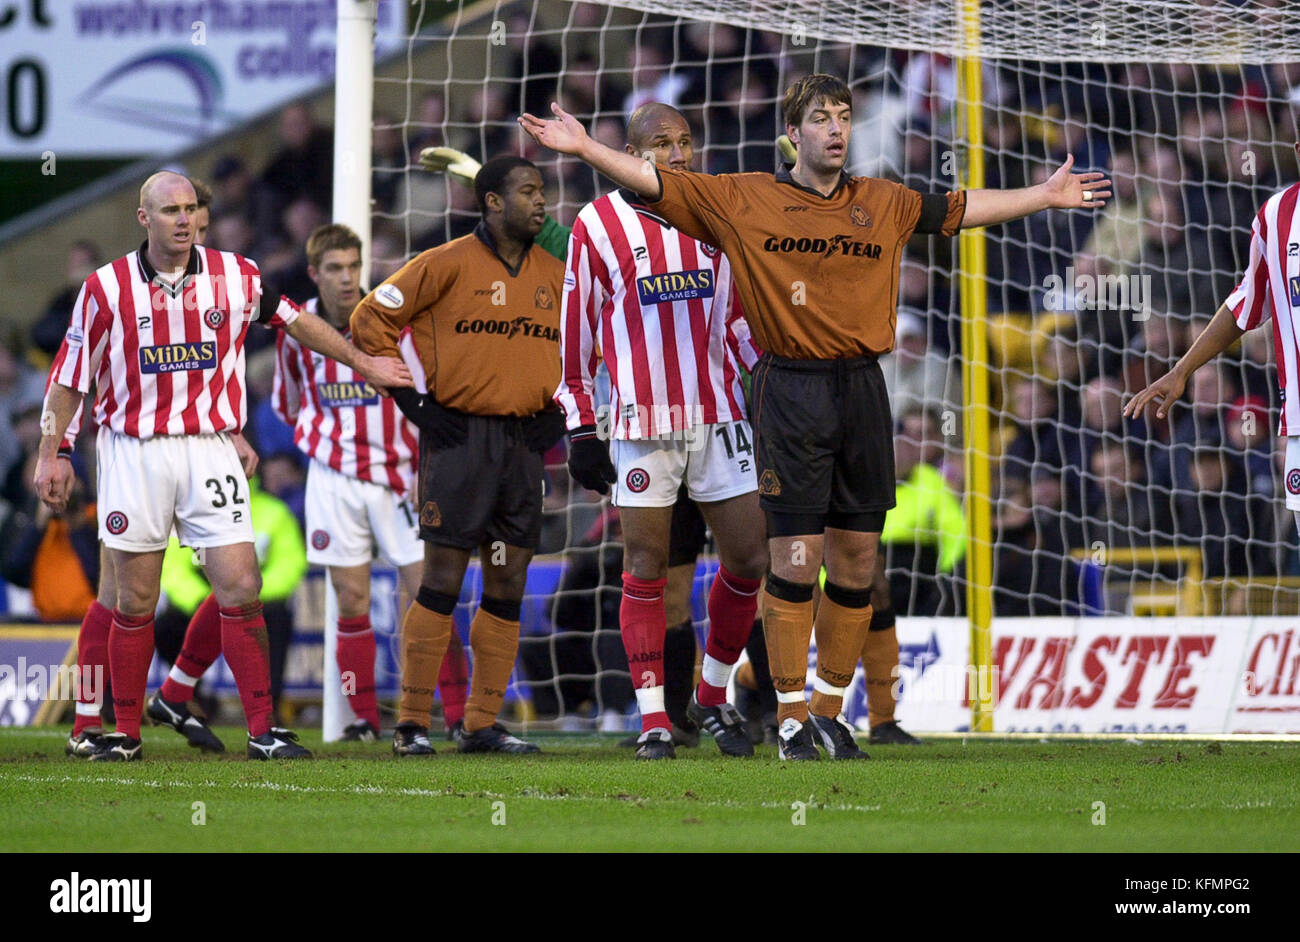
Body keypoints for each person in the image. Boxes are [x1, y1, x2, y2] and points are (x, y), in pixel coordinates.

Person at [521, 74, 1109, 759]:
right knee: (759, 559)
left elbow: (956, 207)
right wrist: (587, 147)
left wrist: (1042, 194)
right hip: (733, 402)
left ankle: (805, 708)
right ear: (794, 134)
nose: (836, 128)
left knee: (846, 557)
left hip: (813, 396)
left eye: (844, 117)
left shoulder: (878, 201)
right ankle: (750, 714)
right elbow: (619, 242)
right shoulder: (733, 199)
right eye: (821, 118)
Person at [35, 170, 412, 762]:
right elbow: (67, 380)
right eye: (170, 211)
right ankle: (114, 729)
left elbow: (298, 322)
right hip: (135, 449)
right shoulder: (106, 289)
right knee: (128, 597)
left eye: (190, 209)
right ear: (144, 219)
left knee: (242, 584)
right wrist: (53, 452)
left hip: (210, 445)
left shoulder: (237, 275)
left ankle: (262, 729)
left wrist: (361, 361)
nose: (183, 220)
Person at [555, 102, 768, 759]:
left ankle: (708, 696)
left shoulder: (714, 210)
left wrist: (775, 386)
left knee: (750, 560)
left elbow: (738, 321)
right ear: (631, 151)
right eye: (661, 144)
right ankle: (653, 720)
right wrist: (580, 427)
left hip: (720, 413)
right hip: (642, 422)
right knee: (645, 567)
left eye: (685, 141)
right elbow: (576, 337)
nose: (678, 153)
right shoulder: (596, 225)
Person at [350, 155, 567, 755]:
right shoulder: (443, 264)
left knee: (506, 576)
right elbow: (369, 320)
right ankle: (412, 724)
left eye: (542, 190)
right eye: (527, 191)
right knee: (442, 578)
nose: (540, 201)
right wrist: (413, 405)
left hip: (523, 448)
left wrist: (561, 413)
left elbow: (590, 346)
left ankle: (479, 724)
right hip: (459, 443)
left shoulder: (557, 272)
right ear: (493, 201)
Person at [272, 222, 468, 750]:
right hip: (334, 480)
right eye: (334, 269)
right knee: (350, 598)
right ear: (314, 273)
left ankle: (455, 714)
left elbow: (428, 398)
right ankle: (363, 720)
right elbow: (288, 406)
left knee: (430, 593)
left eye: (353, 267)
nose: (345, 278)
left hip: (400, 478)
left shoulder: (393, 321)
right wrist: (333, 443)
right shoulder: (298, 332)